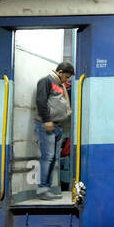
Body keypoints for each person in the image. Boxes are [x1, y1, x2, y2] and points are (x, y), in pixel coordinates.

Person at [34, 61, 74, 200]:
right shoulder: (45, 81)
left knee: (53, 158)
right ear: (60, 72)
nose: (67, 80)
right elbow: (41, 101)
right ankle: (42, 189)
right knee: (48, 157)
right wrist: (47, 120)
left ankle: (47, 189)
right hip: (47, 125)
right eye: (66, 77)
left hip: (58, 126)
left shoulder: (60, 85)